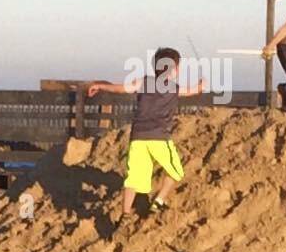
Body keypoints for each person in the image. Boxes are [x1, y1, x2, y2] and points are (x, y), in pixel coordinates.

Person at [87, 47, 205, 229]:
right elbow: (191, 91)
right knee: (175, 171)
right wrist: (201, 86)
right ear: (174, 70)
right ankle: (159, 200)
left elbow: (121, 88)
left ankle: (125, 215)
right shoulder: (174, 88)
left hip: (138, 138)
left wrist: (101, 85)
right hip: (160, 139)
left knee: (133, 179)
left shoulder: (143, 82)